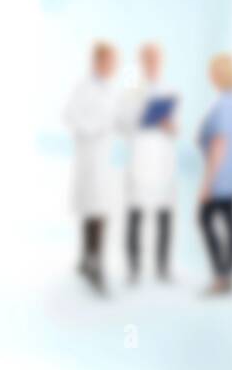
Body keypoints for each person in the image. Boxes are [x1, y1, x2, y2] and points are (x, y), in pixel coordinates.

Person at [117, 43, 178, 284]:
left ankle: (163, 267)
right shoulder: (132, 91)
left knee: (164, 214)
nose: (153, 64)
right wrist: (141, 118)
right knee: (136, 213)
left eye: (156, 60)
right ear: (141, 62)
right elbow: (122, 124)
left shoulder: (168, 90)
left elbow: (175, 128)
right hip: (140, 158)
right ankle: (133, 268)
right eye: (148, 60)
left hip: (162, 160)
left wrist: (168, 126)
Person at [63, 41, 121, 294]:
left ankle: (87, 260)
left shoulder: (108, 89)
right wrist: (93, 129)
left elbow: (113, 118)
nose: (112, 67)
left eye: (114, 63)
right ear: (96, 62)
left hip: (102, 158)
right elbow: (70, 115)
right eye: (108, 62)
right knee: (95, 211)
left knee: (95, 209)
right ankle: (93, 265)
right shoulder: (84, 88)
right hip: (90, 157)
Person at [198, 53, 232, 296]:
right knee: (229, 221)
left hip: (221, 173)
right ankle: (227, 275)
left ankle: (221, 276)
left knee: (206, 219)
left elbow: (219, 143)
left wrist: (207, 182)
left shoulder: (223, 104)